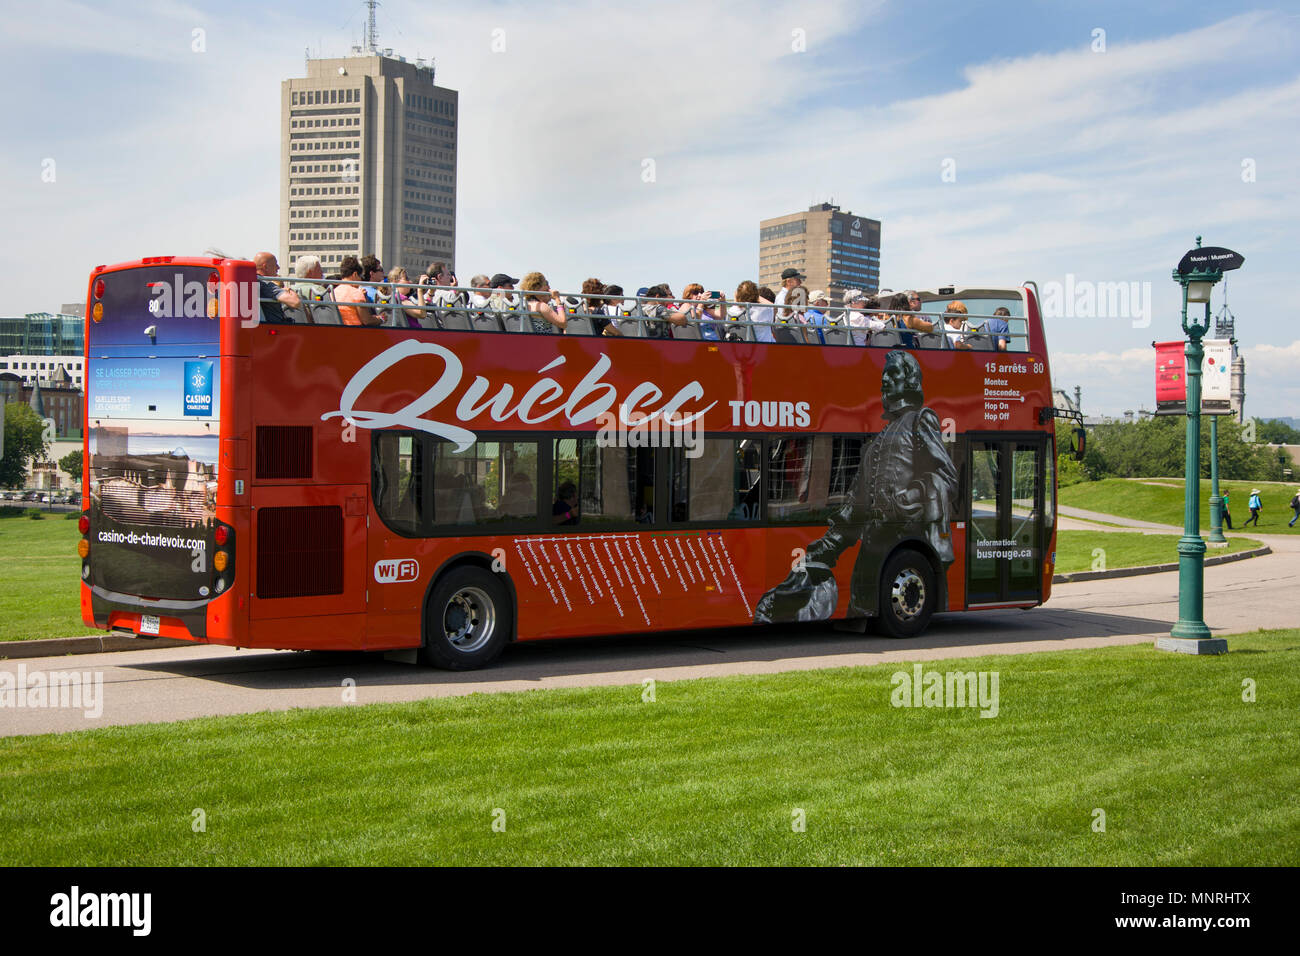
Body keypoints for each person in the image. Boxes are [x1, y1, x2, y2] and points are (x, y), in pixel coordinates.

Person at [754, 349, 959, 624]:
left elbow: (945, 475)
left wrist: (910, 497)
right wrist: (822, 550)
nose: (884, 380)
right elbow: (853, 510)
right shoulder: (875, 444)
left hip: (906, 536)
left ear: (910, 380)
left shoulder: (921, 420)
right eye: (884, 374)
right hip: (870, 557)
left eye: (893, 373)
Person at [252, 251, 300, 324]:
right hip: (277, 327)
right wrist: (289, 290)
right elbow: (295, 302)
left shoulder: (254, 281)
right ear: (265, 267)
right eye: (275, 264)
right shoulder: (266, 284)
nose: (278, 267)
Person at [333, 256, 380, 326]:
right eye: (361, 276)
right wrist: (381, 319)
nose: (361, 280)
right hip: (356, 333)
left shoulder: (333, 292)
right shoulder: (356, 293)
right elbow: (367, 321)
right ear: (355, 274)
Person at [289, 256, 330, 324]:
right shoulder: (318, 290)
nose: (322, 273)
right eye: (320, 270)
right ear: (310, 272)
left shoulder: (291, 290)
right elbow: (328, 313)